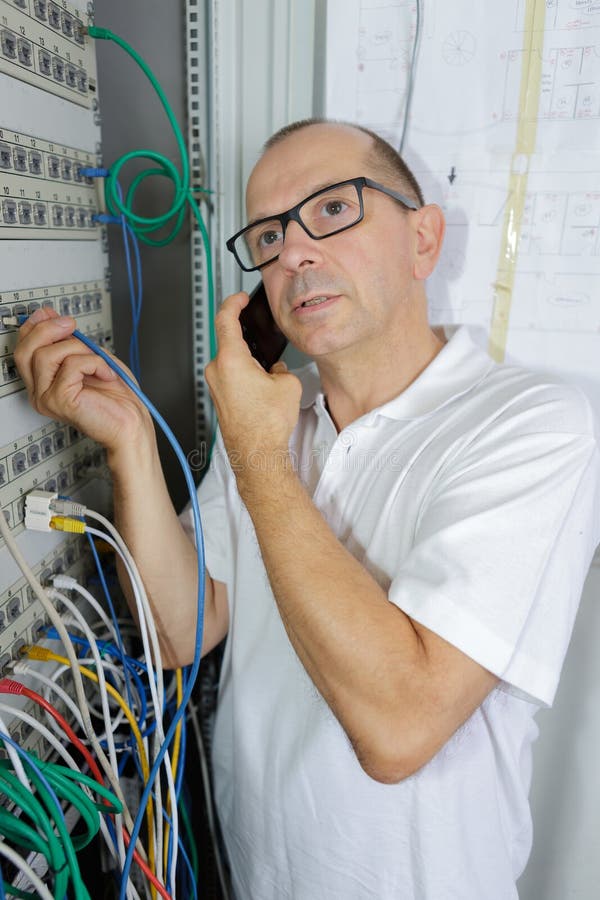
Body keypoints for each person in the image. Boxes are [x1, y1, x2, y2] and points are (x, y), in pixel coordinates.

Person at [14, 119, 600, 899]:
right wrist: (127, 441)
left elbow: (398, 729)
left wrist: (258, 457)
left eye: (332, 210)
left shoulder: (531, 422)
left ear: (424, 239)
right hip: (262, 875)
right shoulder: (272, 421)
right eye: (267, 235)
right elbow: (182, 629)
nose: (292, 253)